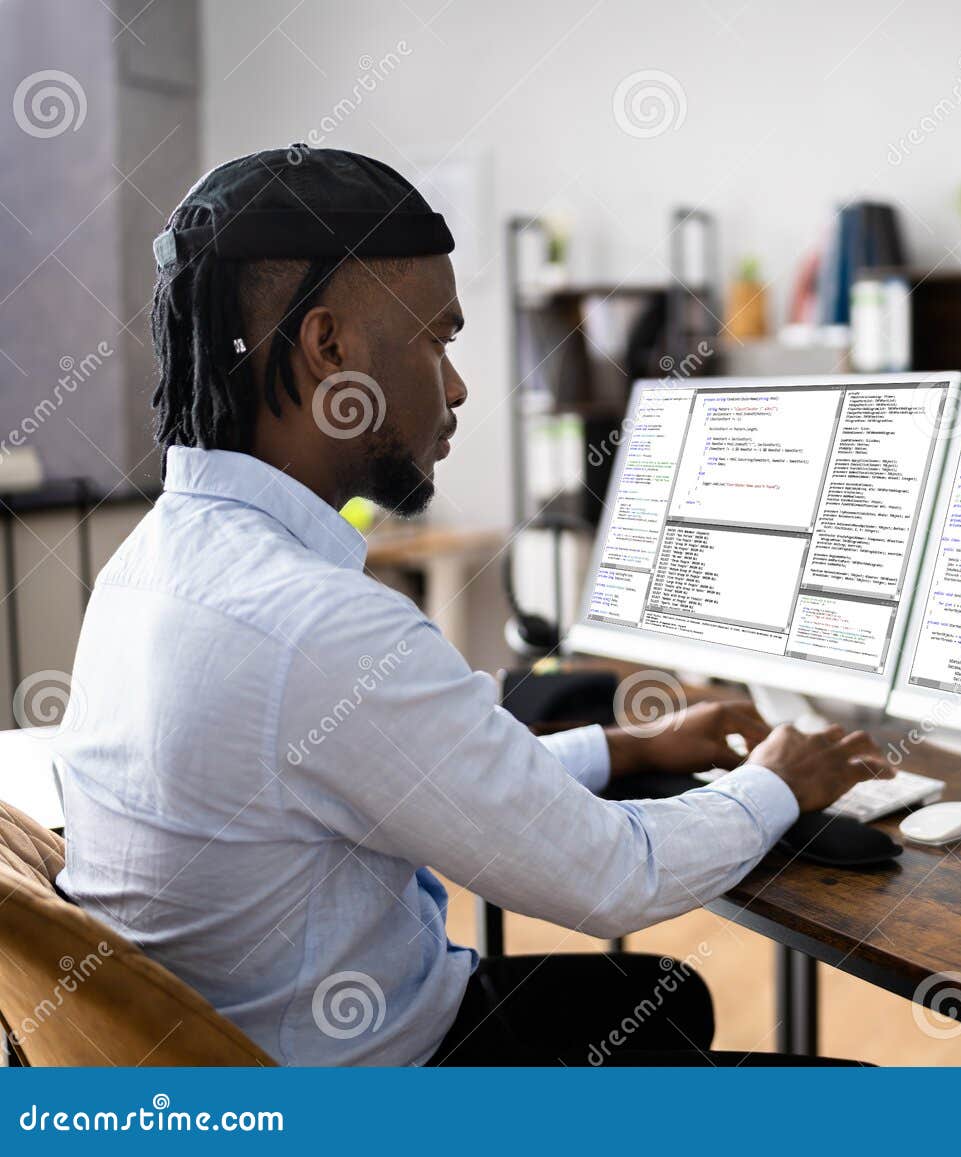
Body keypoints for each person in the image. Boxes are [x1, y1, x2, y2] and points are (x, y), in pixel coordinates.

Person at [52, 147, 887, 1066]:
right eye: (437, 340)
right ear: (331, 348)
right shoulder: (316, 626)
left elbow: (418, 775)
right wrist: (778, 775)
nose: (455, 387)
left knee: (665, 997)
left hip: (260, 1052)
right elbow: (615, 874)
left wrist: (626, 746)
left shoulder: (146, 569)